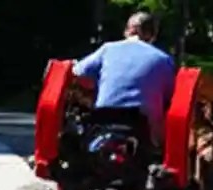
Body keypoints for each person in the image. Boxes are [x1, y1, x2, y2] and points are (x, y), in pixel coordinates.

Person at [73, 11, 177, 149]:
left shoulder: (107, 49)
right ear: (152, 35)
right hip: (144, 128)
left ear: (128, 30)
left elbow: (75, 73)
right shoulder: (163, 60)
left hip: (104, 119)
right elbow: (171, 97)